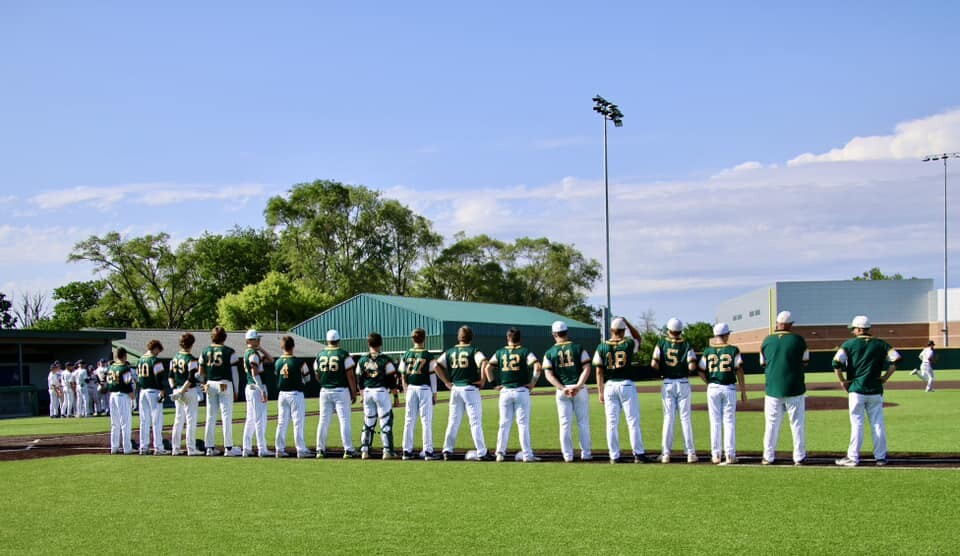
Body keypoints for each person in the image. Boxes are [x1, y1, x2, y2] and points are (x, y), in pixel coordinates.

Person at [833, 315, 900, 467]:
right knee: (878, 423)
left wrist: (842, 382)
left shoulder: (849, 344)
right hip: (875, 390)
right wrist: (885, 377)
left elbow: (836, 362)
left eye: (853, 329)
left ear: (858, 329)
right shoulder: (881, 344)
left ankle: (853, 457)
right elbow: (896, 359)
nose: (852, 332)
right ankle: (881, 457)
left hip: (857, 389)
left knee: (857, 423)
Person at [594, 316, 649, 464]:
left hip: (610, 386)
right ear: (623, 331)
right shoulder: (629, 343)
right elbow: (638, 337)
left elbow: (599, 371)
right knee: (632, 421)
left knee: (611, 423)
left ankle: (614, 455)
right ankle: (638, 454)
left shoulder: (602, 347)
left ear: (612, 330)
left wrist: (600, 391)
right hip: (626, 385)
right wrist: (628, 323)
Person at [760, 310, 810, 465]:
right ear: (790, 325)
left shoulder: (767, 340)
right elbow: (806, 361)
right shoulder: (798, 340)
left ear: (777, 323)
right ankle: (799, 457)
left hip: (773, 389)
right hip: (795, 388)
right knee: (797, 424)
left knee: (772, 424)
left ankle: (768, 457)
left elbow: (762, 363)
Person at [485, 327, 541, 463]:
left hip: (505, 391)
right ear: (520, 338)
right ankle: (527, 455)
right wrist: (533, 382)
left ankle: (500, 453)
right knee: (522, 424)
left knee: (504, 424)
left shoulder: (500, 352)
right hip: (521, 390)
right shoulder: (525, 351)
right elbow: (538, 366)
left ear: (507, 338)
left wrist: (493, 384)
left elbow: (488, 368)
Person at [435, 325, 490, 461]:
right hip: (470, 388)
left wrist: (447, 382)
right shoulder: (473, 350)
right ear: (470, 337)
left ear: (458, 337)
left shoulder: (450, 351)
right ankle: (482, 452)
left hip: (455, 389)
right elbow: (484, 362)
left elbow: (436, 365)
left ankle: (447, 450)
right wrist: (483, 380)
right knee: (475, 422)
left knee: (453, 421)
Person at [542, 320, 592, 463]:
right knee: (583, 423)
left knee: (565, 424)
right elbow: (587, 368)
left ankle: (568, 455)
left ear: (554, 334)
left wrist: (563, 388)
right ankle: (586, 453)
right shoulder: (578, 348)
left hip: (562, 391)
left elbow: (548, 374)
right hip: (579, 389)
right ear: (567, 332)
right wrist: (578, 385)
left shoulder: (549, 352)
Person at [697, 322, 747, 465]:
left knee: (715, 422)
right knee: (729, 421)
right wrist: (743, 391)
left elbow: (700, 369)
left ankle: (716, 454)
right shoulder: (733, 349)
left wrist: (708, 382)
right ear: (725, 335)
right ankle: (730, 454)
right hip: (729, 387)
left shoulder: (707, 351)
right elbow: (739, 370)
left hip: (713, 388)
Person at [651, 317, 698, 464]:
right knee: (685, 418)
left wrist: (663, 369)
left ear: (668, 330)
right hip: (683, 382)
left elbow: (654, 363)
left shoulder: (661, 343)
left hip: (668, 382)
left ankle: (665, 453)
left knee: (668, 418)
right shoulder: (687, 344)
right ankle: (690, 453)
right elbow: (692, 366)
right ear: (680, 330)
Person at [314, 329, 358, 459]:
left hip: (325, 390)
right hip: (340, 390)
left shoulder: (320, 354)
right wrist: (353, 391)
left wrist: (324, 382)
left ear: (327, 340)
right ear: (338, 340)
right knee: (344, 420)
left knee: (323, 421)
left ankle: (320, 449)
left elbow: (317, 374)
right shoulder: (343, 354)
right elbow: (350, 375)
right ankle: (348, 449)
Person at [199, 326, 242, 457]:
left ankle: (209, 448)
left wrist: (203, 384)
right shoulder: (230, 351)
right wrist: (236, 389)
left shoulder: (204, 351)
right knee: (226, 416)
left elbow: (200, 373)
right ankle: (228, 448)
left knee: (210, 416)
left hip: (210, 384)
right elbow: (235, 373)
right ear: (224, 337)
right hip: (225, 384)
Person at [356, 332, 398, 459]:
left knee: (368, 422)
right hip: (381, 392)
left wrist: (362, 395)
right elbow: (392, 380)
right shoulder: (386, 360)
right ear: (381, 343)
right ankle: (387, 451)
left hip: (368, 392)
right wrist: (395, 396)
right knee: (385, 421)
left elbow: (359, 380)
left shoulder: (362, 360)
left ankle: (365, 450)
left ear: (368, 344)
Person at [399, 328, 438, 461]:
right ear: (424, 338)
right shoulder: (427, 355)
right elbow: (433, 375)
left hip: (411, 388)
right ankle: (427, 451)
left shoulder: (406, 354)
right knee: (426, 421)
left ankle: (406, 450)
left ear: (412, 339)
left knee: (409, 420)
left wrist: (405, 390)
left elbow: (402, 375)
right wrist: (434, 393)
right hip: (424, 389)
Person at [274, 335, 312, 458]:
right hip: (295, 394)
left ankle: (279, 448)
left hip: (282, 395)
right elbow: (308, 377)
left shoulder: (278, 362)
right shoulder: (299, 361)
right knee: (298, 422)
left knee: (281, 423)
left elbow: (276, 375)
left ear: (282, 347)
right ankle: (301, 449)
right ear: (293, 346)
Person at [241, 329, 274, 458]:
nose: (258, 340)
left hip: (250, 387)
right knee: (260, 419)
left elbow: (270, 359)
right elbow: (255, 373)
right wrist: (262, 390)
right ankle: (262, 448)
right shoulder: (253, 354)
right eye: (256, 339)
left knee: (250, 419)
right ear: (249, 340)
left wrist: (261, 348)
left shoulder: (250, 352)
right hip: (256, 387)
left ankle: (246, 447)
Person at [168, 333, 203, 456]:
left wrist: (175, 390)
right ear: (192, 344)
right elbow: (191, 378)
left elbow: (170, 377)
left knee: (178, 420)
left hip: (177, 389)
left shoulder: (174, 358)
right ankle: (191, 448)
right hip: (188, 391)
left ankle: (175, 448)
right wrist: (182, 391)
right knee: (190, 420)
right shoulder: (191, 359)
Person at [137, 340, 168, 455]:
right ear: (155, 348)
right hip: (153, 391)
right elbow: (159, 377)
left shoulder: (140, 360)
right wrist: (162, 389)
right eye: (158, 351)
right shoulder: (155, 361)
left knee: (144, 421)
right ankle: (158, 447)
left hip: (142, 391)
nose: (158, 353)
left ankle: (143, 447)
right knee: (157, 420)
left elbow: (138, 378)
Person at [106, 348, 136, 454]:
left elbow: (108, 383)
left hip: (112, 395)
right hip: (122, 395)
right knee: (125, 423)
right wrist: (133, 397)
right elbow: (128, 384)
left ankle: (114, 447)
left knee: (115, 423)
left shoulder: (110, 368)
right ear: (124, 356)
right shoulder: (124, 368)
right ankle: (127, 448)